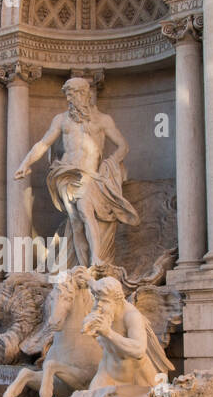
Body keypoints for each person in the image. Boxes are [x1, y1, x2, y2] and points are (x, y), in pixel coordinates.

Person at [14, 77, 140, 267]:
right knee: (75, 222)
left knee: (84, 211)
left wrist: (110, 163)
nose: (71, 99)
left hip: (88, 176)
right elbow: (44, 143)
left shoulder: (103, 120)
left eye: (75, 94)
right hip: (65, 174)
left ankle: (97, 260)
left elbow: (123, 146)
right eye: (69, 95)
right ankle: (82, 267)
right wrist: (25, 163)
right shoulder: (61, 120)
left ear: (86, 94)